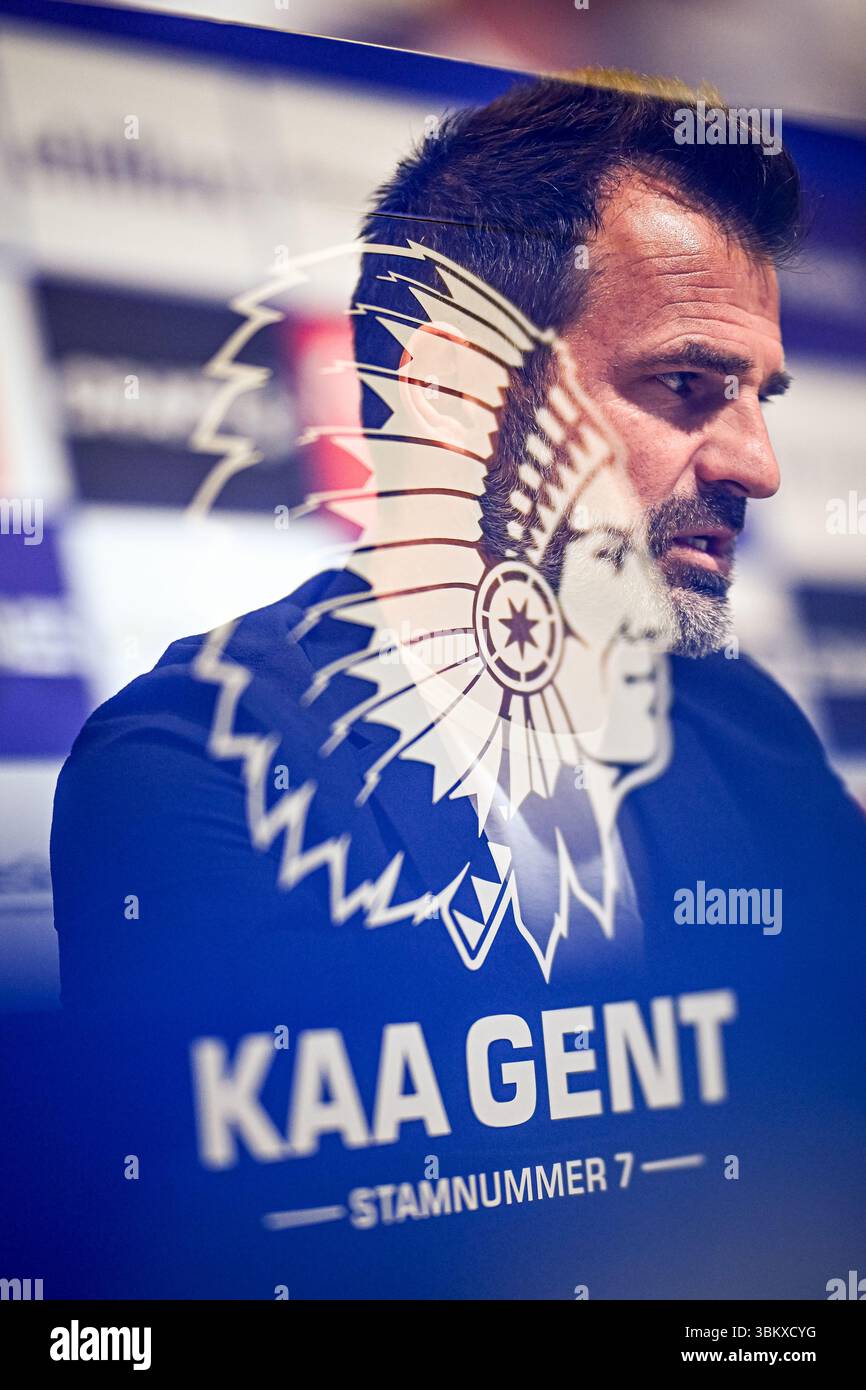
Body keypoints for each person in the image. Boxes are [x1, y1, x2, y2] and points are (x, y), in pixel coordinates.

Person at [49, 72, 866, 1299]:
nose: (755, 464)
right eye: (684, 385)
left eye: (760, 398)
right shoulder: (196, 767)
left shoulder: (743, 725)